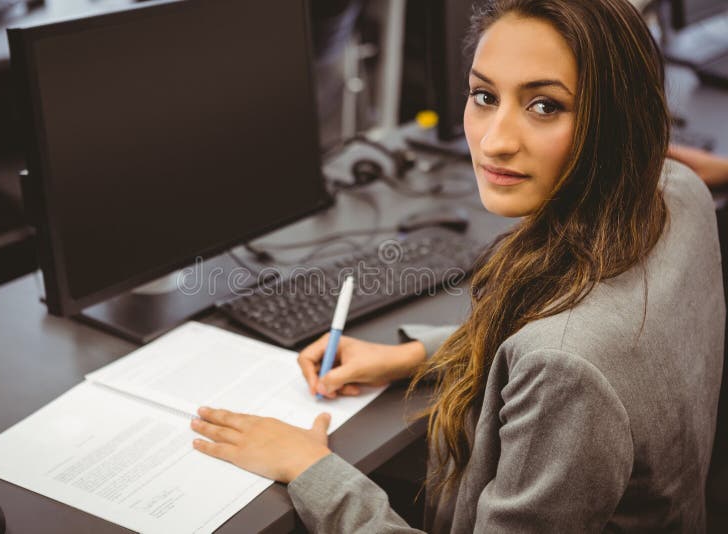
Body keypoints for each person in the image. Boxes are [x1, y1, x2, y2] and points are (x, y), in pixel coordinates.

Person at [189, 0, 725, 531]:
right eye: (485, 96)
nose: (494, 141)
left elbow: (568, 358)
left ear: (618, 116)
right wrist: (412, 355)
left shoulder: (566, 367)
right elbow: (568, 339)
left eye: (545, 106)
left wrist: (311, 469)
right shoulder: (677, 191)